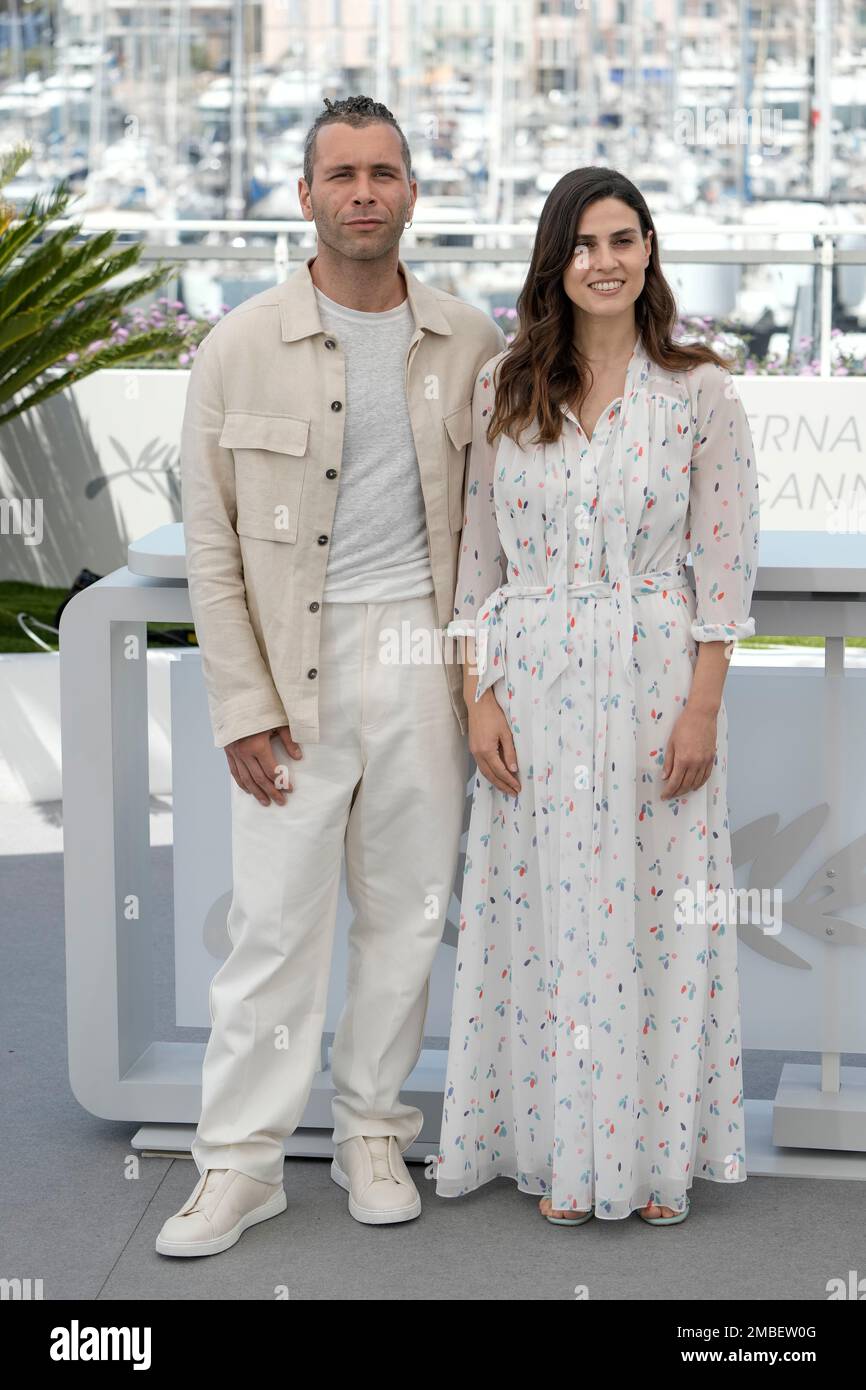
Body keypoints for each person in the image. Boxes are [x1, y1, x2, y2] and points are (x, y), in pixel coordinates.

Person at [156, 95, 505, 1257]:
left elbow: (496, 528)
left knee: (405, 916)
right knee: (272, 928)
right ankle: (239, 1165)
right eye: (341, 173)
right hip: (294, 671)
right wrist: (242, 705)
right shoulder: (239, 344)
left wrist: (476, 683)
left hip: (422, 655)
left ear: (412, 192)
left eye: (384, 172)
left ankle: (371, 1130)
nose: (364, 191)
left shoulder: (468, 342)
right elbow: (210, 544)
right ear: (304, 194)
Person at [434, 167, 760, 1226]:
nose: (605, 260)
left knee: (653, 918)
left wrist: (701, 706)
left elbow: (723, 566)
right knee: (539, 918)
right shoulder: (504, 386)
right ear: (553, 263)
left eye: (623, 239)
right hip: (529, 681)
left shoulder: (698, 391)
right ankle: (556, 1151)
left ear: (649, 252)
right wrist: (475, 694)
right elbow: (475, 560)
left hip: (653, 676)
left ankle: (649, 1156)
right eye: (582, 244)